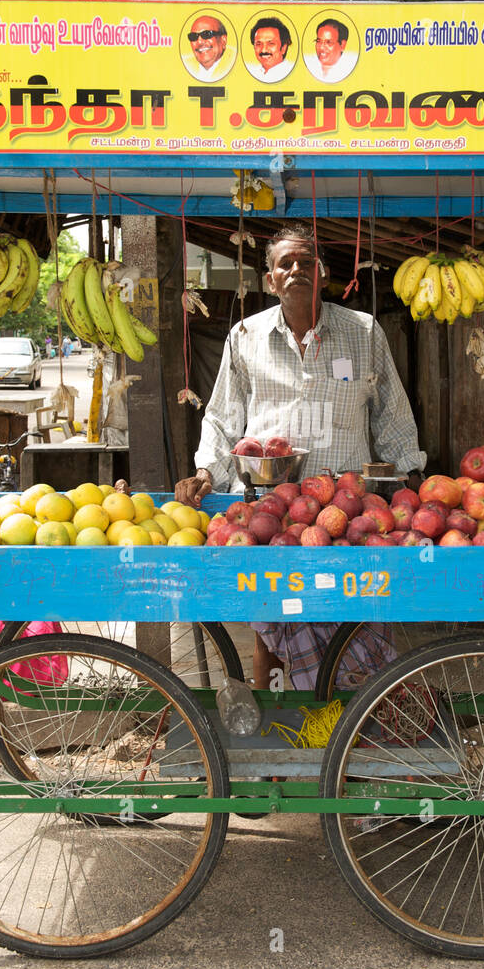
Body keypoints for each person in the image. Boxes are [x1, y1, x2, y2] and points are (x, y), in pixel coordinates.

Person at [175, 223, 426, 688]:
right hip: (270, 508)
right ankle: (275, 722)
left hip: (347, 508)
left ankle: (355, 723)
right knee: (270, 620)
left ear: (323, 273)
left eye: (306, 262)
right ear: (270, 280)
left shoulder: (363, 332)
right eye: (284, 264)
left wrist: (408, 472)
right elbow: (224, 416)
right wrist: (206, 470)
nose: (296, 271)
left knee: (357, 613)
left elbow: (391, 411)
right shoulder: (245, 336)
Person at [183, 14, 236, 82]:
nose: (199, 42)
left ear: (223, 40)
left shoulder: (234, 63)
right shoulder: (186, 65)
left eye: (206, 34)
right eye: (193, 36)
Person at [304, 18, 358, 83]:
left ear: (342, 45)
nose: (321, 47)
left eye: (329, 42)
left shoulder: (349, 69)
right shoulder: (310, 64)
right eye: (318, 41)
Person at [247, 17, 294, 81]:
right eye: (258, 44)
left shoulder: (291, 73)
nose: (264, 50)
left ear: (283, 48)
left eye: (271, 44)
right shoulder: (252, 72)